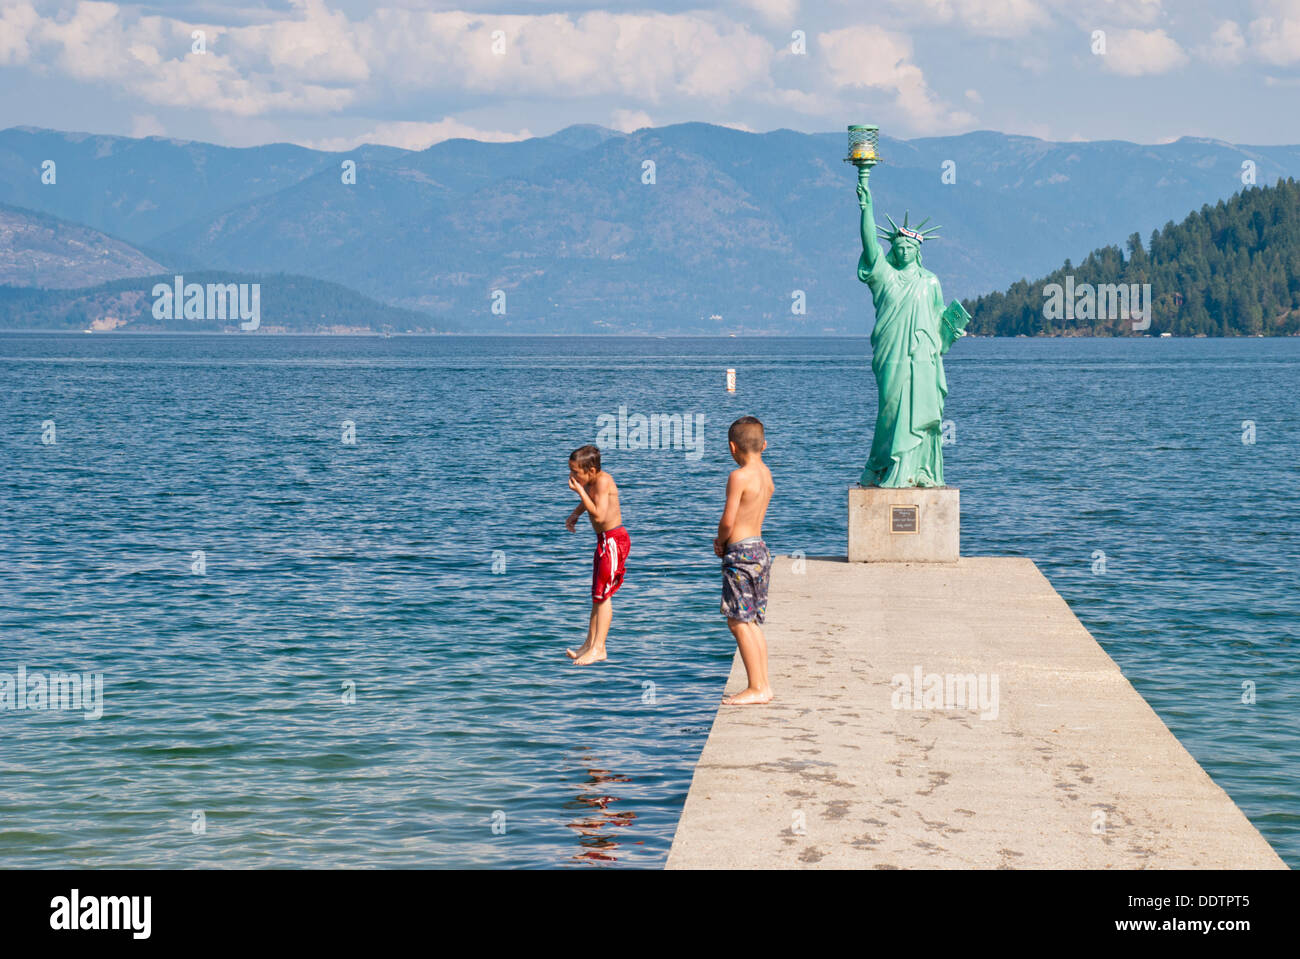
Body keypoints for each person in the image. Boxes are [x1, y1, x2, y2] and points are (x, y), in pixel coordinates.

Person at [713, 417, 775, 705]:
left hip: (740, 553)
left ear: (732, 447)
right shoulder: (766, 475)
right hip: (760, 550)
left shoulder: (738, 476)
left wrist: (720, 541)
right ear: (764, 445)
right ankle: (763, 684)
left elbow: (729, 519)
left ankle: (756, 687)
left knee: (738, 622)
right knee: (751, 622)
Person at [564, 445, 628, 665]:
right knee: (597, 595)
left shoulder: (602, 481)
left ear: (590, 471)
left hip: (613, 541)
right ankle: (588, 644)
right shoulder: (592, 483)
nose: (572, 477)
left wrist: (579, 491)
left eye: (575, 472)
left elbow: (600, 515)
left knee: (604, 596)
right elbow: (589, 501)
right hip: (604, 541)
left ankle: (600, 648)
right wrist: (575, 514)